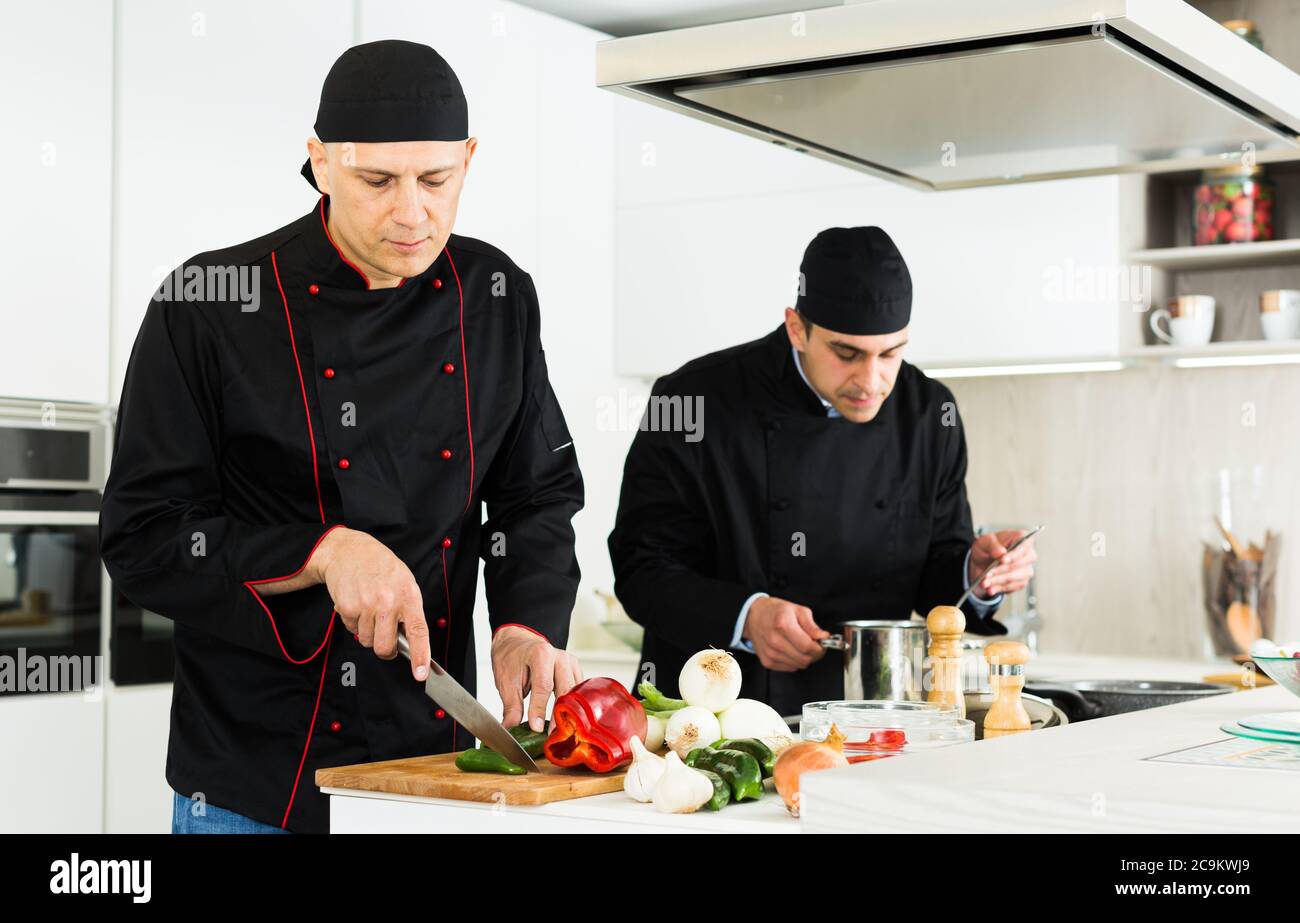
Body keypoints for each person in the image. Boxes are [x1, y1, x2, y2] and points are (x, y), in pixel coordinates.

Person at [100, 40, 584, 833]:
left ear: (468, 159)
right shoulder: (207, 306)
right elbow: (144, 539)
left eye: (436, 180)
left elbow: (538, 493)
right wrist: (322, 552)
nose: (411, 213)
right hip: (255, 778)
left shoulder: (499, 295)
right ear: (320, 162)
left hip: (434, 767)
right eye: (376, 181)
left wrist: (527, 618)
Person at [608, 226, 1036, 717]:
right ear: (796, 328)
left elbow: (935, 571)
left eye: (891, 353)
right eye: (847, 354)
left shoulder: (928, 413)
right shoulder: (692, 400)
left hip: (870, 711)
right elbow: (642, 568)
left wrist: (975, 575)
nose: (871, 381)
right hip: (718, 714)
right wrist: (746, 618)